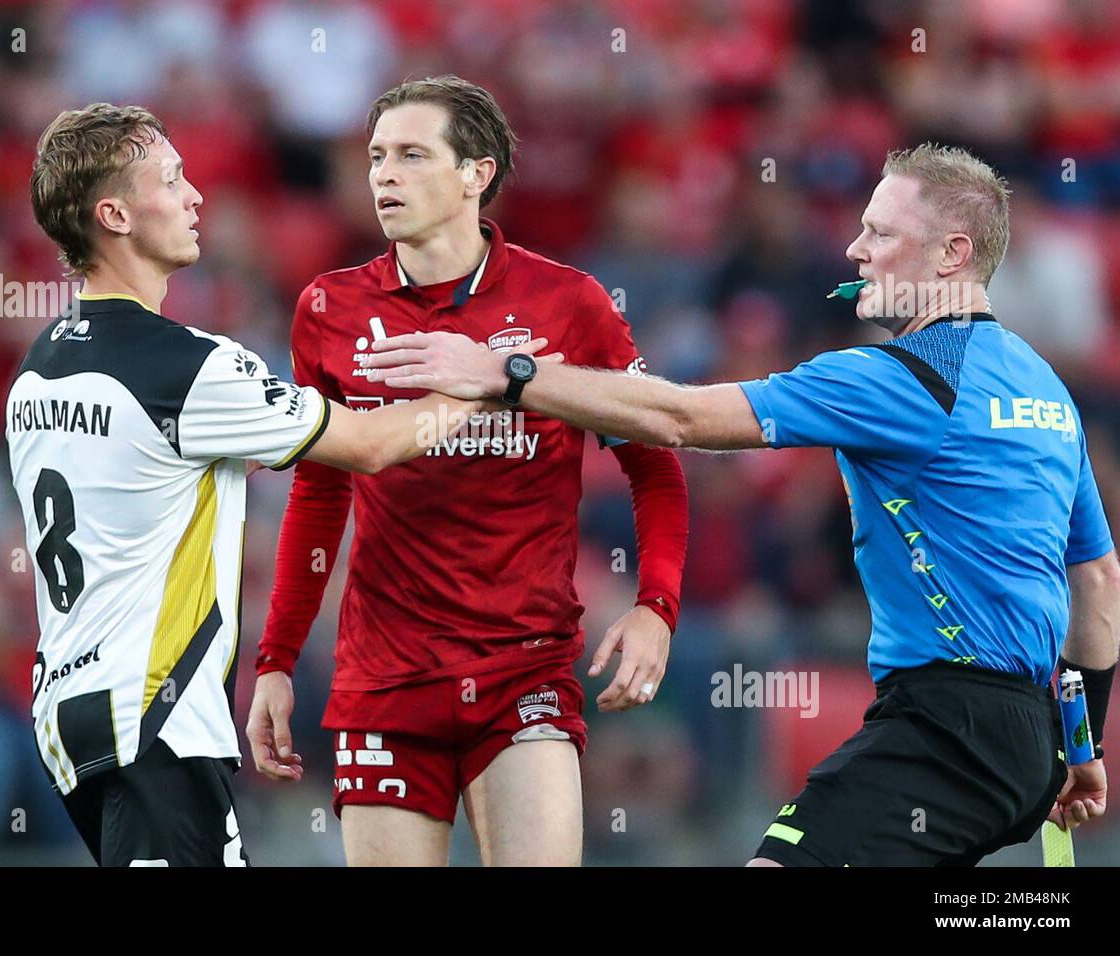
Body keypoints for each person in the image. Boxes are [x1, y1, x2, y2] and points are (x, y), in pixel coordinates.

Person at [363, 143, 1120, 866]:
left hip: (944, 730)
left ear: (952, 254)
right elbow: (1097, 582)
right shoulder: (1047, 390)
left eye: (880, 232)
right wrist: (1079, 748)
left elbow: (682, 420)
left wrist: (508, 371)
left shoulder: (903, 378)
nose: (855, 251)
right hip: (1026, 738)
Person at [6, 102, 518, 866]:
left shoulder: (41, 360)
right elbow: (372, 446)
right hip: (155, 716)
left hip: (68, 716)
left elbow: (155, 475)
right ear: (113, 214)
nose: (195, 196)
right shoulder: (189, 368)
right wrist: (493, 377)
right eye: (171, 180)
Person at [248, 76, 689, 866]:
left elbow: (654, 464)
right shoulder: (328, 307)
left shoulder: (570, 302)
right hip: (384, 675)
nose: (384, 174)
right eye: (378, 156)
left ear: (475, 174)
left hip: (524, 668)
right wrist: (276, 659)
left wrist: (656, 603)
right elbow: (318, 490)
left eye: (413, 155)